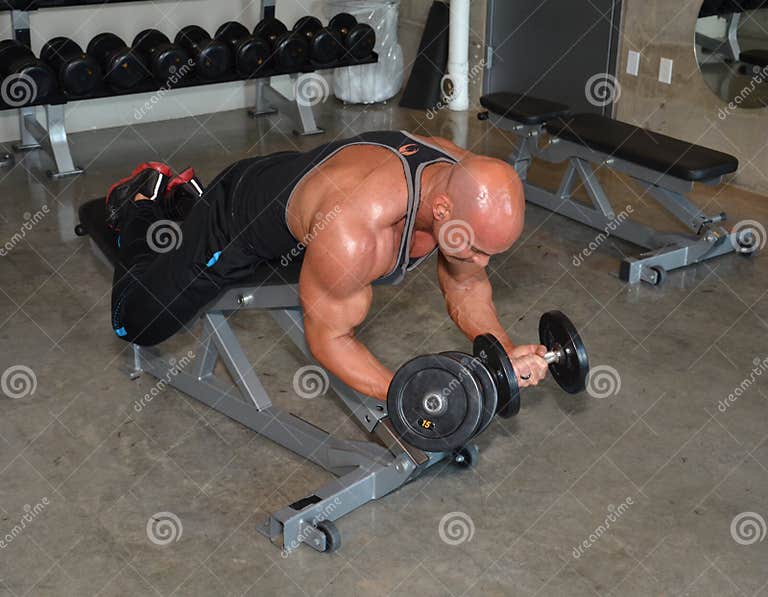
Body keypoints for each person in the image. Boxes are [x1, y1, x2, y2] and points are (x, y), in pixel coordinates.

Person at [106, 130, 549, 401]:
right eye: (474, 249)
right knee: (136, 322)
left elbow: (466, 287)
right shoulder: (357, 231)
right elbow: (330, 338)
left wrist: (502, 350)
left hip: (297, 187)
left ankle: (185, 203)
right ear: (443, 205)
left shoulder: (460, 177)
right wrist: (405, 392)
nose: (480, 262)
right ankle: (145, 200)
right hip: (237, 219)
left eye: (490, 252)